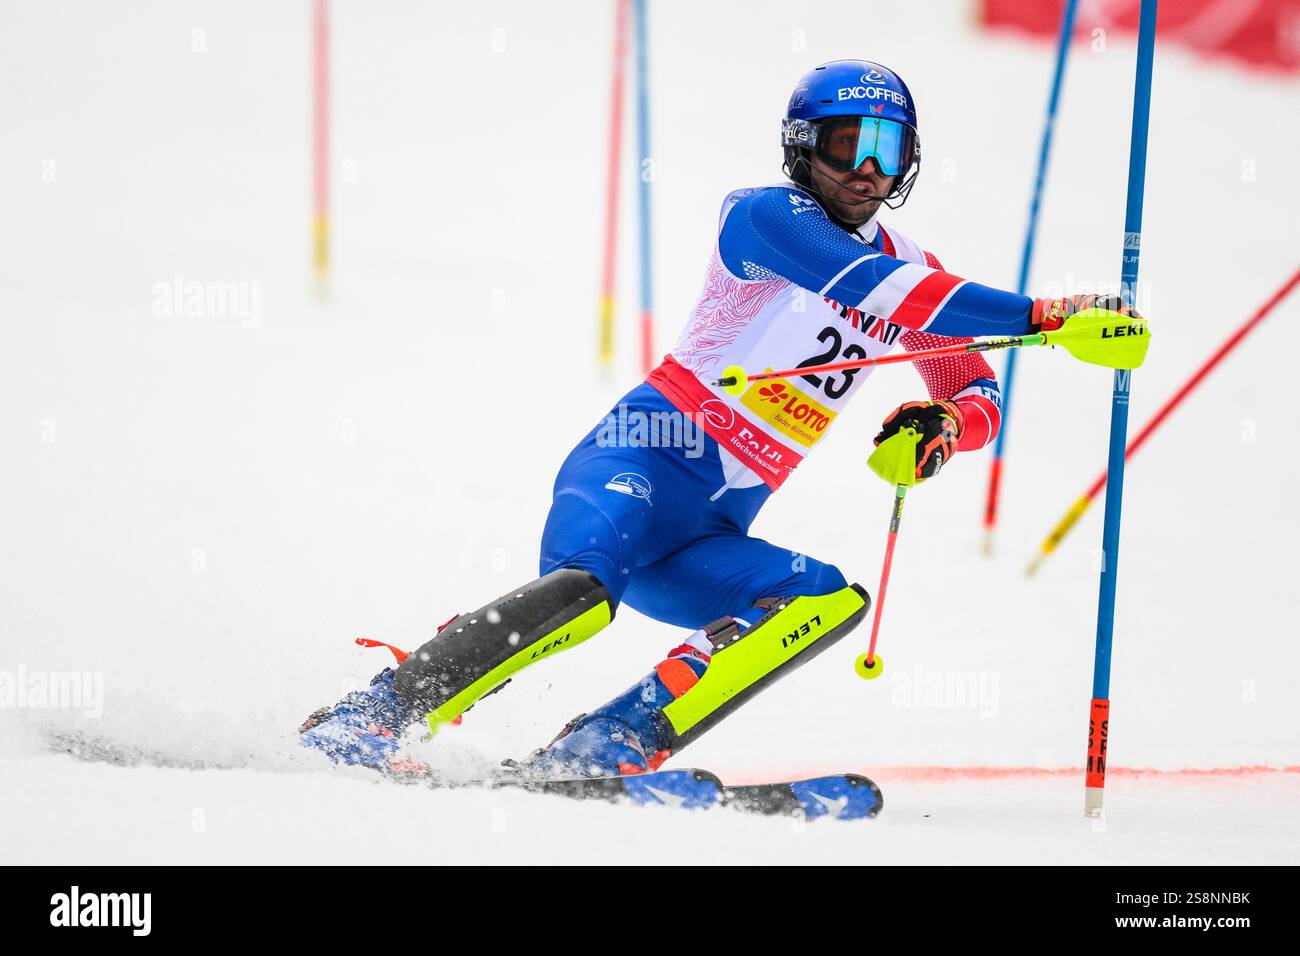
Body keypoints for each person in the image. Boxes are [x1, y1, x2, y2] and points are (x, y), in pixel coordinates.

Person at [299, 59, 1138, 777]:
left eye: (889, 150)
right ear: (803, 146)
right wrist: (1053, 314)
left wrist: (941, 430)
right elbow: (892, 297)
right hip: (645, 455)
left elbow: (976, 386)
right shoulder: (766, 217)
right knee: (586, 596)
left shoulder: (916, 266)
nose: (866, 170)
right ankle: (380, 710)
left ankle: (609, 742)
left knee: (822, 601)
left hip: (712, 528)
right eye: (847, 144)